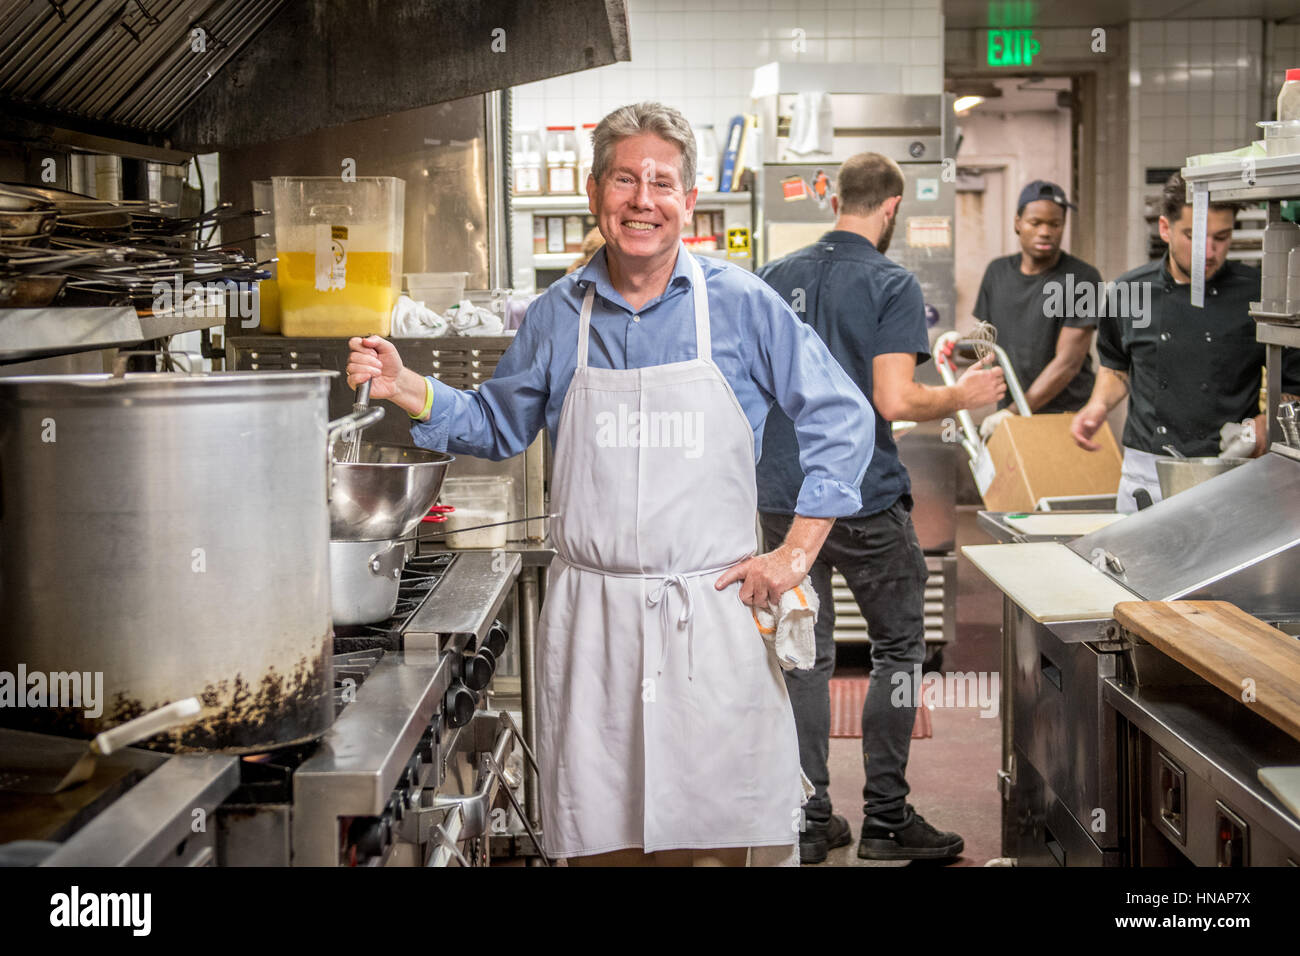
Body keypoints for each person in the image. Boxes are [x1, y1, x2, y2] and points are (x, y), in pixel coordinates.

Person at [347, 102, 874, 867]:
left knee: (720, 843)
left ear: (688, 202)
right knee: (603, 841)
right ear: (596, 193)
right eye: (624, 179)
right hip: (592, 620)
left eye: (662, 182)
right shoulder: (558, 315)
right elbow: (497, 425)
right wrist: (411, 390)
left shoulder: (741, 304)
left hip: (710, 613)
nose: (642, 200)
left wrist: (794, 555)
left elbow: (843, 421)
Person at [756, 152, 1007, 864]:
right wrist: (964, 394)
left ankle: (808, 818)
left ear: (836, 199)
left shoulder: (775, 277)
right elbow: (895, 400)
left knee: (803, 658)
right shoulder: (891, 280)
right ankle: (887, 821)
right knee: (899, 651)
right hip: (861, 497)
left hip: (782, 497)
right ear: (891, 207)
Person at [1071, 172, 1300, 511]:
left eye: (1221, 238)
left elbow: (1292, 383)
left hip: (1229, 469)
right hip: (1147, 470)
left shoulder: (1260, 295)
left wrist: (1268, 422)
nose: (1208, 252)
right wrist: (1097, 407)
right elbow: (1116, 368)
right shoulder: (1127, 292)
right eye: (1194, 237)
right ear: (1165, 228)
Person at [973, 180, 1103, 438]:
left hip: (1066, 418)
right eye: (1036, 223)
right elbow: (986, 344)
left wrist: (1014, 412)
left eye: (1055, 224)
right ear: (1017, 223)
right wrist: (955, 347)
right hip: (1012, 415)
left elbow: (1068, 363)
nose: (1046, 232)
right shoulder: (997, 272)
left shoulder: (1081, 278)